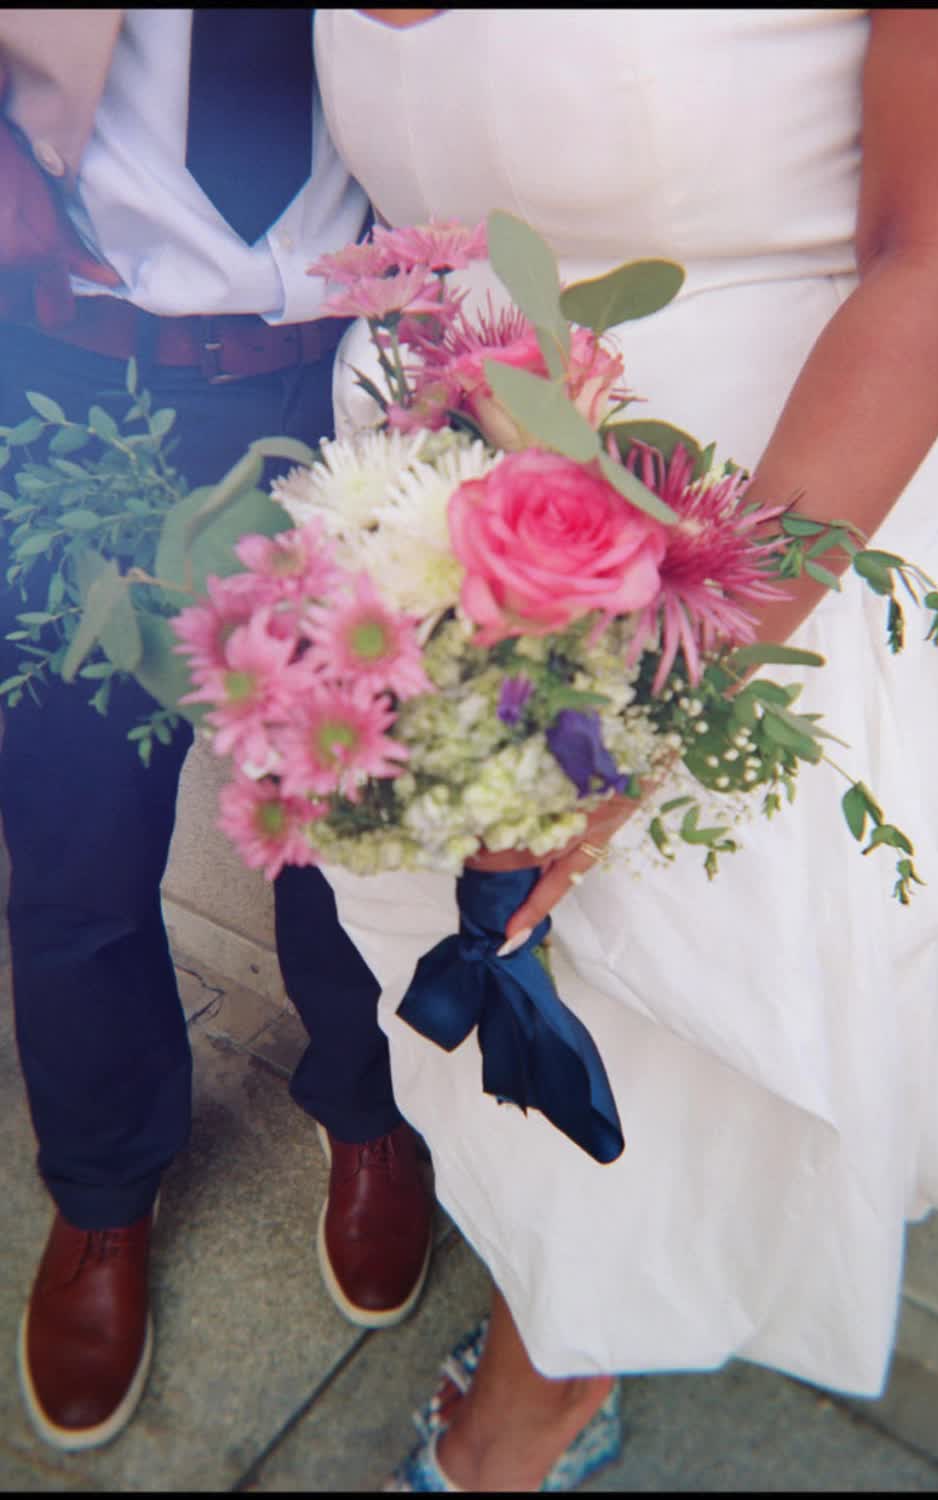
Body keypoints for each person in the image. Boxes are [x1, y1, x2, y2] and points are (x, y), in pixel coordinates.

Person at [308, 6, 938, 1491]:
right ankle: (548, 1279)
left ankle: (555, 1372)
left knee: (660, 1024)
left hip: (761, 532)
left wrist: (680, 690)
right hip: (436, 502)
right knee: (477, 962)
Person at [0, 8, 435, 1455]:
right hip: (81, 373)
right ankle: (104, 1190)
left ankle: (366, 1105)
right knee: (77, 846)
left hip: (344, 387)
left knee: (345, 813)